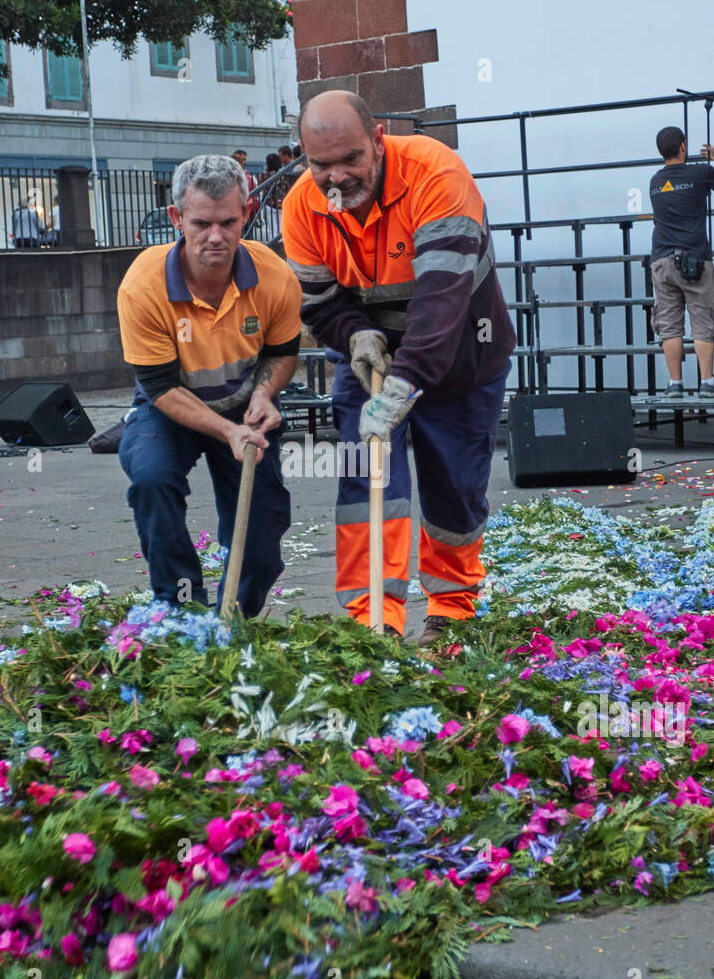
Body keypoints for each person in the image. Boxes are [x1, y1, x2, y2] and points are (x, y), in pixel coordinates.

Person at [280, 89, 515, 644]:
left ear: (378, 138)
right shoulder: (301, 206)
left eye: (350, 159)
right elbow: (318, 301)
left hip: (462, 352)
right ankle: (374, 619)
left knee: (454, 485)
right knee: (367, 479)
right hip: (371, 360)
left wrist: (403, 387)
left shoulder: (437, 175)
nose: (336, 177)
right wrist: (354, 333)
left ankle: (450, 610)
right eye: (320, 165)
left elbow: (441, 304)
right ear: (303, 156)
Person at [117, 154, 301, 614]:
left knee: (263, 531)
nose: (215, 236)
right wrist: (225, 432)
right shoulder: (143, 285)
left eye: (228, 222)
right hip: (169, 405)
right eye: (201, 223)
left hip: (244, 402)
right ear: (177, 217)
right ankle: (181, 610)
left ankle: (231, 620)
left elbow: (282, 354)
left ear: (247, 214)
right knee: (151, 480)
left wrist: (263, 393)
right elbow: (159, 386)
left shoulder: (275, 276)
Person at [649, 126, 714, 397]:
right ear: (683, 146)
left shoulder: (656, 182)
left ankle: (675, 384)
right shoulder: (700, 172)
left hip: (662, 259)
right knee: (702, 319)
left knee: (670, 324)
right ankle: (707, 382)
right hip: (694, 260)